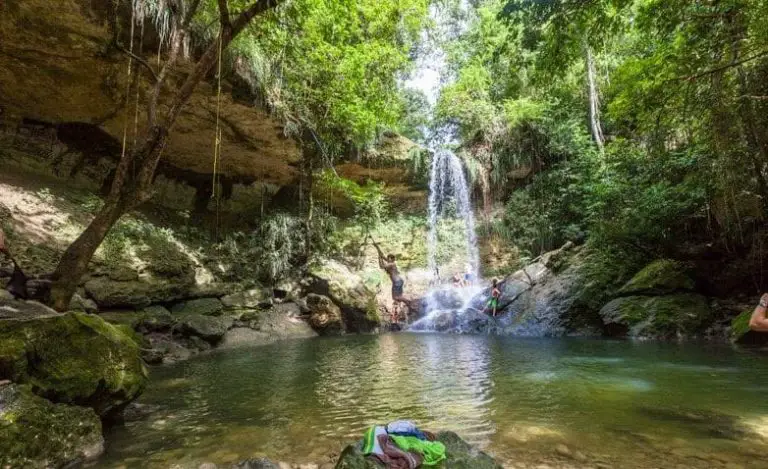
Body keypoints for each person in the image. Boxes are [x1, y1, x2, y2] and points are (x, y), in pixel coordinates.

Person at [370, 236, 406, 305]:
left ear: (392, 259)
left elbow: (381, 266)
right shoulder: (391, 263)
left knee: (395, 297)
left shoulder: (391, 264)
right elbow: (382, 254)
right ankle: (402, 304)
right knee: (398, 297)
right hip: (398, 281)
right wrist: (376, 247)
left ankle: (407, 302)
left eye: (389, 258)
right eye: (388, 258)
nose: (387, 259)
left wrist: (379, 258)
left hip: (397, 282)